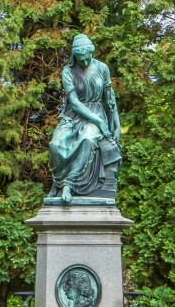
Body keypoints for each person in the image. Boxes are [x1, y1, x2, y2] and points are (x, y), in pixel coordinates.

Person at [46, 35, 122, 204]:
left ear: (91, 53)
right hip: (73, 115)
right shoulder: (68, 71)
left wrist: (116, 124)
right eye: (81, 60)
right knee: (55, 144)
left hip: (96, 111)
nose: (85, 62)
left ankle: (69, 184)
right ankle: (58, 183)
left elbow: (110, 99)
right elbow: (73, 101)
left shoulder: (102, 68)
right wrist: (100, 122)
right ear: (74, 57)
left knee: (87, 139)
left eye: (88, 58)